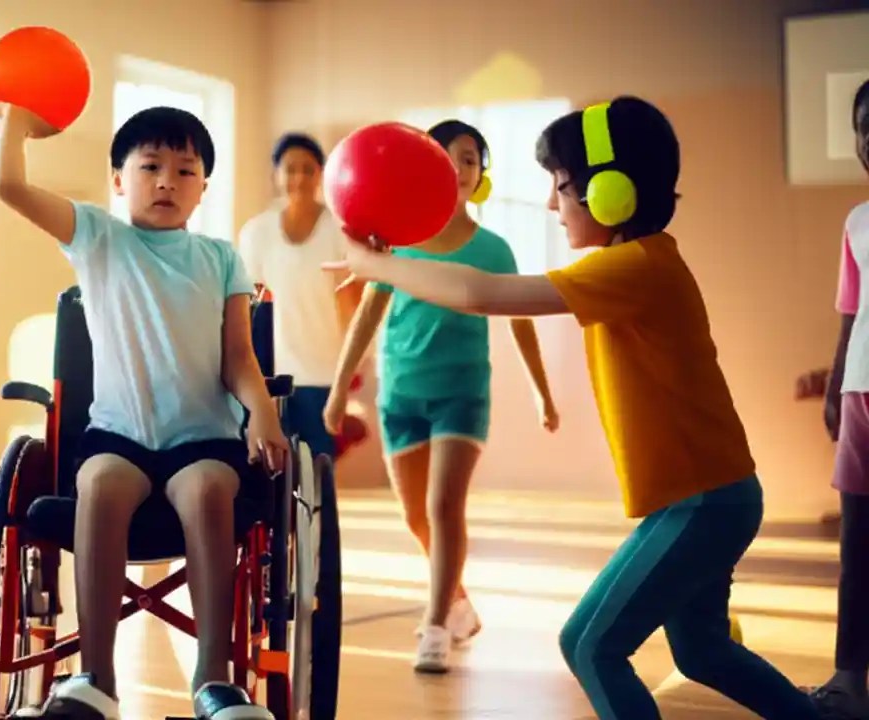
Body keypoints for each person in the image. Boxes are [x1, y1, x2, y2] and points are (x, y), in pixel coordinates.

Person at [324, 95, 822, 719]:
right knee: (702, 651)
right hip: (710, 499)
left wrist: (379, 264)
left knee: (589, 646)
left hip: (702, 505)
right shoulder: (637, 264)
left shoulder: (637, 267)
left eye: (560, 186)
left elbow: (481, 293)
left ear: (610, 192)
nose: (550, 205)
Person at [0, 102, 286, 720]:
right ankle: (96, 678)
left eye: (185, 170)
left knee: (208, 490)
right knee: (97, 483)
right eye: (150, 166)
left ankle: (213, 679)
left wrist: (262, 409)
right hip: (118, 437)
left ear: (203, 187)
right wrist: (16, 121)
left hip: (203, 439)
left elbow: (238, 356)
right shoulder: (98, 237)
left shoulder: (221, 258)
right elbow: (10, 186)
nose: (166, 181)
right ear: (119, 179)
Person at [322, 119, 559, 673]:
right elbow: (367, 317)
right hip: (401, 395)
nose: (458, 167)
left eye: (469, 158)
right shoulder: (398, 247)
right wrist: (338, 391)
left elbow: (521, 322)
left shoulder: (494, 250)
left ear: (481, 173)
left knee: (443, 506)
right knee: (416, 517)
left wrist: (542, 393)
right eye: (446, 156)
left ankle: (433, 626)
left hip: (462, 396)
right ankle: (456, 600)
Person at [794, 77, 869, 720]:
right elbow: (851, 310)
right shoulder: (857, 222)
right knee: (857, 545)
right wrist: (837, 381)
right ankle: (849, 680)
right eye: (864, 128)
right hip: (861, 397)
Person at [237, 132, 364, 462]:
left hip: (325, 370)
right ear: (276, 175)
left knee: (319, 463)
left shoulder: (340, 230)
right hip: (272, 373)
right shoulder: (257, 232)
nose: (299, 178)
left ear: (321, 175)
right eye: (290, 169)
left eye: (309, 169)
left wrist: (354, 365)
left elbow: (353, 303)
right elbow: (250, 304)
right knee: (277, 468)